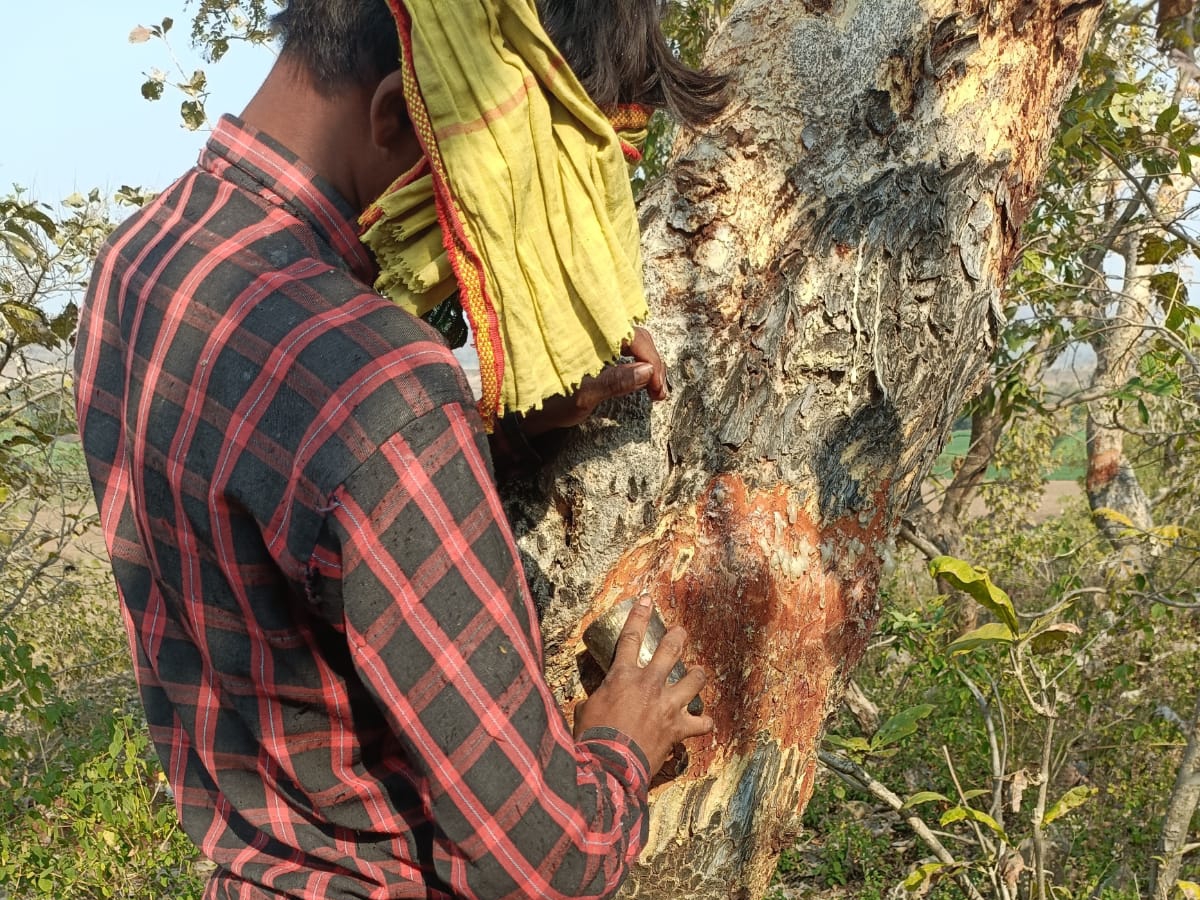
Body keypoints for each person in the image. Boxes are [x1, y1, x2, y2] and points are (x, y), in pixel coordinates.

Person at [74, 1, 725, 898]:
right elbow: (548, 864)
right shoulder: (381, 387)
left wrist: (503, 424)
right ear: (397, 116)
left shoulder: (139, 260)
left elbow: (291, 511)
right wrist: (624, 743)